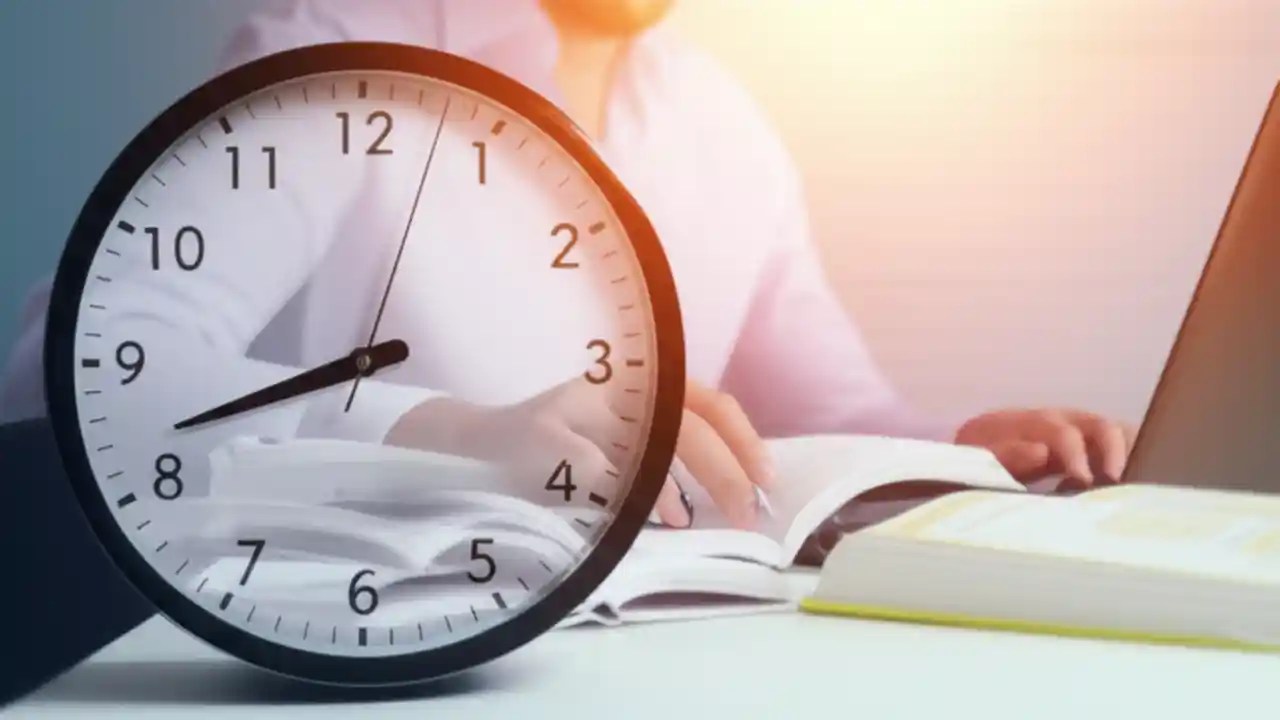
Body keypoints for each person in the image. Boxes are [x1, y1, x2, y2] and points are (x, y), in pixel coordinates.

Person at [0, 0, 1135, 530]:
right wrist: (445, 432)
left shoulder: (723, 125)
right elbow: (71, 372)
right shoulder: (333, 55)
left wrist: (952, 458)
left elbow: (823, 417)